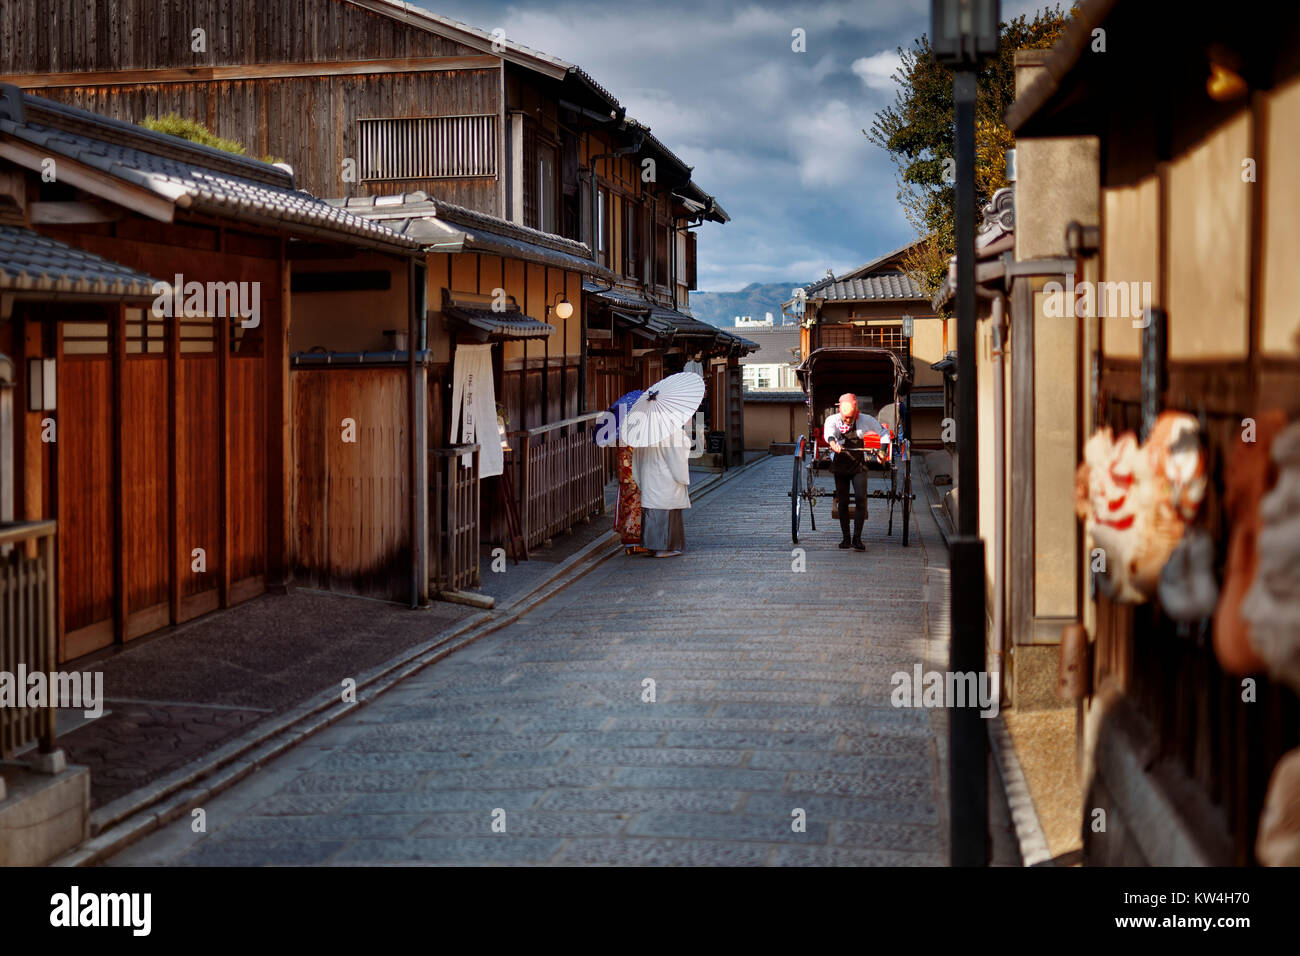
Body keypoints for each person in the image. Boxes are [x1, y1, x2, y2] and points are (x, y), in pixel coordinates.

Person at [824, 393, 888, 551]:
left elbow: (884, 433)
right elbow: (829, 434)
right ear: (840, 412)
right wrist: (833, 443)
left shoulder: (866, 420)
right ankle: (845, 538)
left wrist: (882, 451)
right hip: (840, 462)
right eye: (845, 418)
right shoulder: (832, 420)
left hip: (859, 463)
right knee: (843, 501)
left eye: (851, 418)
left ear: (856, 412)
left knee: (860, 498)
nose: (848, 421)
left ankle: (857, 538)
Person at [631, 424, 692, 557]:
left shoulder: (643, 429)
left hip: (648, 475)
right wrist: (685, 440)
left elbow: (636, 457)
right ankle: (664, 548)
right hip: (665, 477)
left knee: (652, 511)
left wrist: (640, 478)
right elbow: (677, 455)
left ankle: (652, 546)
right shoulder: (670, 428)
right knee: (667, 513)